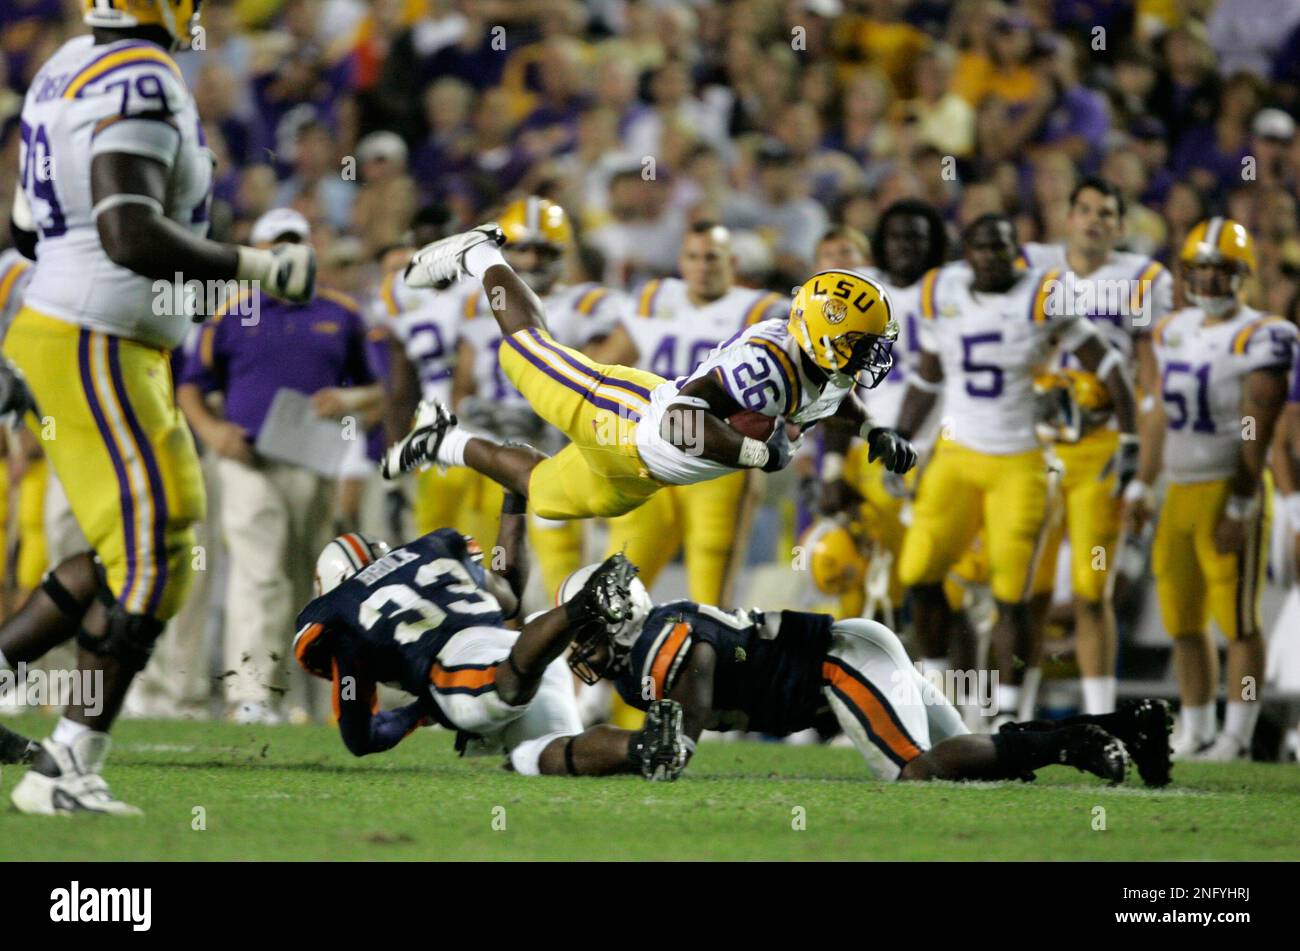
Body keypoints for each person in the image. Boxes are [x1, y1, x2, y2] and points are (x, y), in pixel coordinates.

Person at [2, 0, 314, 815]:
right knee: (159, 550)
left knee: (132, 549)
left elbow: (26, 229)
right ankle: (66, 765)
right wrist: (261, 267)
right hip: (94, 334)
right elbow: (127, 231)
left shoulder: (62, 67)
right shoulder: (140, 75)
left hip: (93, 332)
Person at [382, 223, 918, 524]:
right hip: (625, 418)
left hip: (647, 474)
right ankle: (480, 254)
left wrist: (874, 430)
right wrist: (757, 453)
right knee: (523, 349)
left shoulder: (829, 365)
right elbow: (679, 423)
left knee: (541, 492)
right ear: (822, 333)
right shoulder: (768, 365)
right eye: (861, 344)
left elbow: (830, 400)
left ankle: (444, 440)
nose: (871, 358)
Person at [554, 562, 1174, 786]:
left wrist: (670, 746)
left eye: (583, 630)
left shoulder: (665, 636)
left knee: (919, 769)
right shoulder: (642, 662)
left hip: (835, 662)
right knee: (970, 762)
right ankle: (1125, 725)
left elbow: (691, 703)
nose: (577, 647)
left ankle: (1070, 742)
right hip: (846, 652)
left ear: (617, 616)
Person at [892, 214, 1139, 724]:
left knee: (1013, 593)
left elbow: (1110, 364)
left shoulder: (1042, 293)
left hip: (1022, 462)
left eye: (1001, 248)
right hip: (957, 455)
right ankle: (939, 691)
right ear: (967, 252)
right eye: (982, 248)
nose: (991, 258)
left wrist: (1131, 434)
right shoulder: (943, 290)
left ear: (1015, 252)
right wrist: (897, 438)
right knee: (918, 572)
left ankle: (1005, 714)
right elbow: (928, 377)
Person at [293, 495, 687, 780]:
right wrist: (512, 503)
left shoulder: (343, 619)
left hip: (466, 672)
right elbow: (510, 594)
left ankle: (584, 604)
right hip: (525, 645)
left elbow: (362, 738)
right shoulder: (431, 555)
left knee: (502, 688)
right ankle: (644, 745)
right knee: (540, 756)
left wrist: (421, 710)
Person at [178, 208, 380, 723]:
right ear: (257, 252)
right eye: (276, 244)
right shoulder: (231, 313)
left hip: (313, 463)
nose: (285, 253)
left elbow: (379, 391)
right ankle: (251, 693)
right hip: (248, 459)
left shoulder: (342, 313)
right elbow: (191, 388)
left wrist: (349, 400)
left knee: (304, 579)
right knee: (259, 574)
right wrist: (213, 431)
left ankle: (299, 699)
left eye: (294, 243)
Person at [1128, 218, 1298, 760]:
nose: (1207, 281)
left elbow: (1261, 425)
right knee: (1182, 617)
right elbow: (1155, 418)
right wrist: (1140, 486)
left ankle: (1237, 735)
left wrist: (1244, 502)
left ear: (1240, 275)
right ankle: (1197, 727)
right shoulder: (1170, 329)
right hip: (1179, 487)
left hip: (1230, 486)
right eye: (1198, 269)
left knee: (1238, 621)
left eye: (1219, 271)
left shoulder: (1265, 333)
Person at [1020, 177, 1172, 715]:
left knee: (1091, 590)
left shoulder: (1141, 279)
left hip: (1100, 441)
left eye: (1106, 213)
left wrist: (1143, 474)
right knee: (1023, 589)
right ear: (1066, 216)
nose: (1094, 221)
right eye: (1084, 209)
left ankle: (1102, 714)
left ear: (1121, 225)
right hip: (1034, 444)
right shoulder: (1030, 264)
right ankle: (1014, 708)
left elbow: (1152, 388)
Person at [590, 221, 788, 606]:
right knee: (620, 573)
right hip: (650, 451)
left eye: (711, 258)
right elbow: (607, 368)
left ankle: (705, 657)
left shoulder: (764, 312)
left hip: (719, 457)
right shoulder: (654, 299)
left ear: (732, 262)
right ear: (681, 261)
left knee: (711, 587)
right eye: (693, 257)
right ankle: (609, 659)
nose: (702, 267)